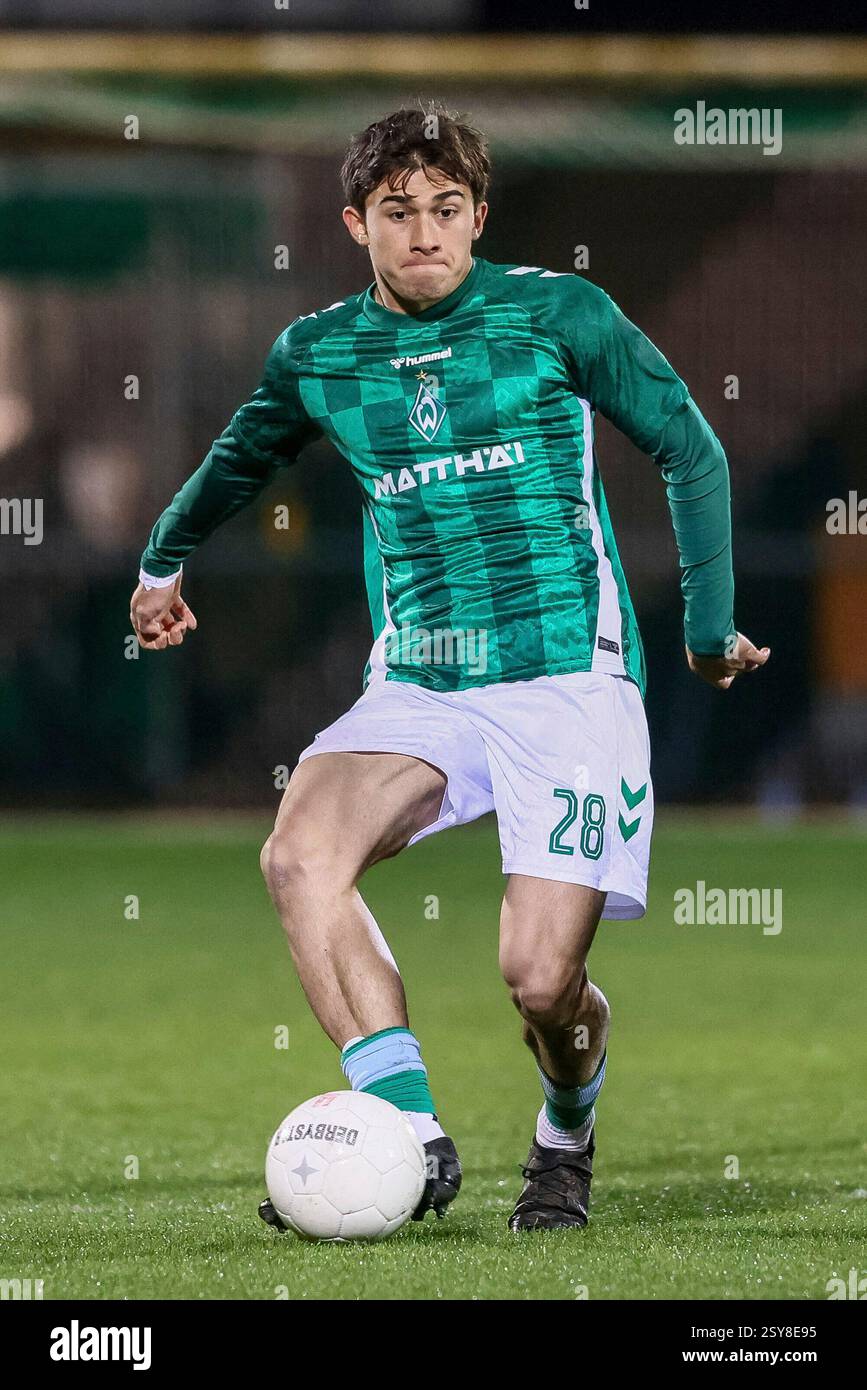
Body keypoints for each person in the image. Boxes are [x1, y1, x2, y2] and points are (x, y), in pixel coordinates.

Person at [130, 105, 769, 1232]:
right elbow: (241, 458)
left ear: (477, 217)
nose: (423, 230)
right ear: (355, 223)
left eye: (445, 209)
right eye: (396, 211)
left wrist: (708, 632)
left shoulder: (557, 314)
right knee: (298, 854)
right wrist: (163, 562)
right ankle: (413, 1137)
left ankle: (564, 1129)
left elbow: (689, 444)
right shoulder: (318, 353)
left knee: (540, 981)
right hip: (420, 681)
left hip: (566, 677)